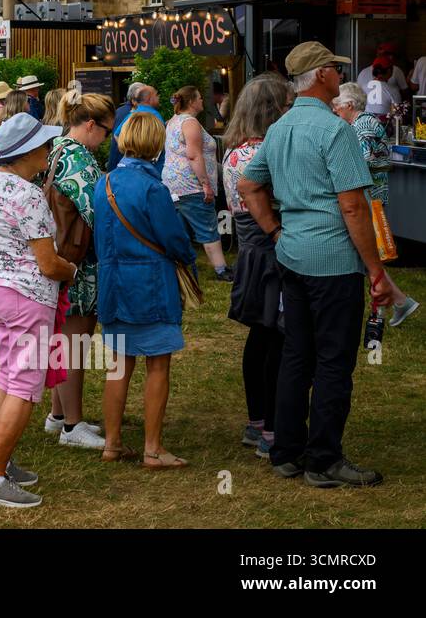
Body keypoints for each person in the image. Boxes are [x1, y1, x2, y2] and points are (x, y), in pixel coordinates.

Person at [237, 42, 394, 488]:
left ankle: (287, 451)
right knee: (332, 362)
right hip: (332, 260)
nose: (338, 75)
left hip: (293, 255)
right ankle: (324, 458)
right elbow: (353, 208)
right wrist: (375, 269)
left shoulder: (281, 127)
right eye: (335, 69)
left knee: (295, 355)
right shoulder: (335, 130)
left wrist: (274, 231)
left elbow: (250, 184)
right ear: (323, 75)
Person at [0, 113, 76, 507]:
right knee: (23, 384)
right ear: (29, 151)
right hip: (26, 293)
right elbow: (49, 263)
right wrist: (72, 269)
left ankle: (0, 462)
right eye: (46, 145)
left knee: (6, 376)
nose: (50, 150)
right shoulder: (28, 194)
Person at [93, 111, 196, 470]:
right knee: (157, 366)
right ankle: (152, 448)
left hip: (113, 285)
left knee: (119, 366)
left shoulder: (103, 183)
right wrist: (187, 256)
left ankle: (112, 443)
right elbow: (174, 240)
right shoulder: (154, 189)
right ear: (156, 144)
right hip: (150, 287)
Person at [221, 74, 292, 460]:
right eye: (286, 106)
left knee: (262, 338)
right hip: (270, 248)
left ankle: (257, 420)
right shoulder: (260, 154)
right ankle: (270, 427)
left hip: (251, 250)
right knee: (277, 339)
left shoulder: (235, 151)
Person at [42, 87, 115, 450]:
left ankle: (58, 416)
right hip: (79, 264)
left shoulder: (57, 147)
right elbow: (97, 212)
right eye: (106, 131)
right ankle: (73, 425)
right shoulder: (79, 159)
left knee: (64, 342)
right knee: (74, 344)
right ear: (90, 124)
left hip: (63, 257)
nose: (107, 139)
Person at [332, 82, 419, 328]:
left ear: (349, 105)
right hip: (370, 195)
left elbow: (364, 160)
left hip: (371, 196)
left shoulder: (364, 124)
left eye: (337, 105)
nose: (335, 110)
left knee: (368, 252)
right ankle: (394, 304)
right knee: (367, 253)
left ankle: (396, 303)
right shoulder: (360, 123)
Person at [162, 86, 231, 282]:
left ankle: (179, 270)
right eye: (200, 98)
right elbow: (193, 155)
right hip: (191, 185)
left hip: (173, 185)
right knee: (207, 226)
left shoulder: (172, 121)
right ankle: (221, 269)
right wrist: (205, 185)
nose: (203, 101)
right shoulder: (190, 122)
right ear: (191, 101)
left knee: (180, 228)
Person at [107, 82, 154, 171]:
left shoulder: (120, 110)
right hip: (125, 165)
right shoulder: (133, 114)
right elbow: (119, 139)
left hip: (118, 164)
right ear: (134, 97)